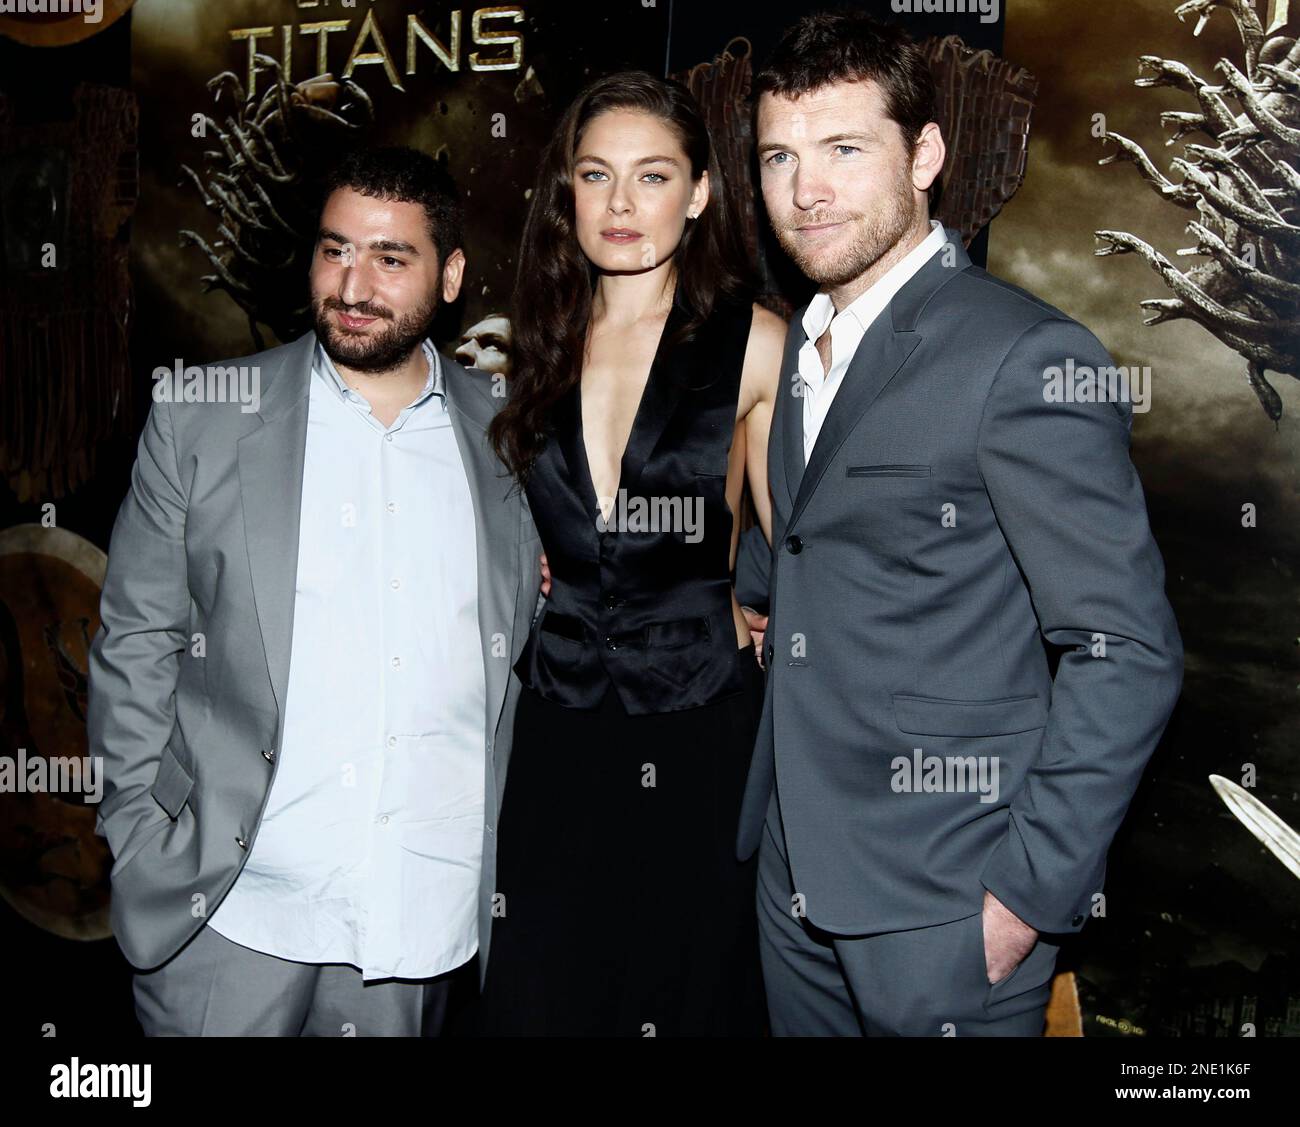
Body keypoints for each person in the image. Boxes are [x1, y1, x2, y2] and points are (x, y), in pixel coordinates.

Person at [738, 11, 1184, 1036]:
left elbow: (1126, 650)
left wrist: (1022, 899)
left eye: (844, 150)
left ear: (926, 154)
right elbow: (808, 546)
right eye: (780, 156)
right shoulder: (805, 346)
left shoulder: (1020, 356)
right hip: (792, 879)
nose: (806, 190)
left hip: (942, 902)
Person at [88, 146, 539, 1035]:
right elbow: (136, 640)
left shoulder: (511, 435)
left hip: (416, 914)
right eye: (335, 250)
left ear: (450, 276)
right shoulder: (204, 416)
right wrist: (139, 837)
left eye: (390, 258)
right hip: (230, 910)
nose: (353, 284)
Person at [477, 70, 785, 1036]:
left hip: (700, 726)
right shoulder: (531, 345)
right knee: (545, 990)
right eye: (595, 175)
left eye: (652, 177)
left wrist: (759, 608)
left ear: (697, 195)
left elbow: (805, 542)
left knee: (687, 988)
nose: (619, 205)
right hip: (559, 727)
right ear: (565, 192)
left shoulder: (757, 342)